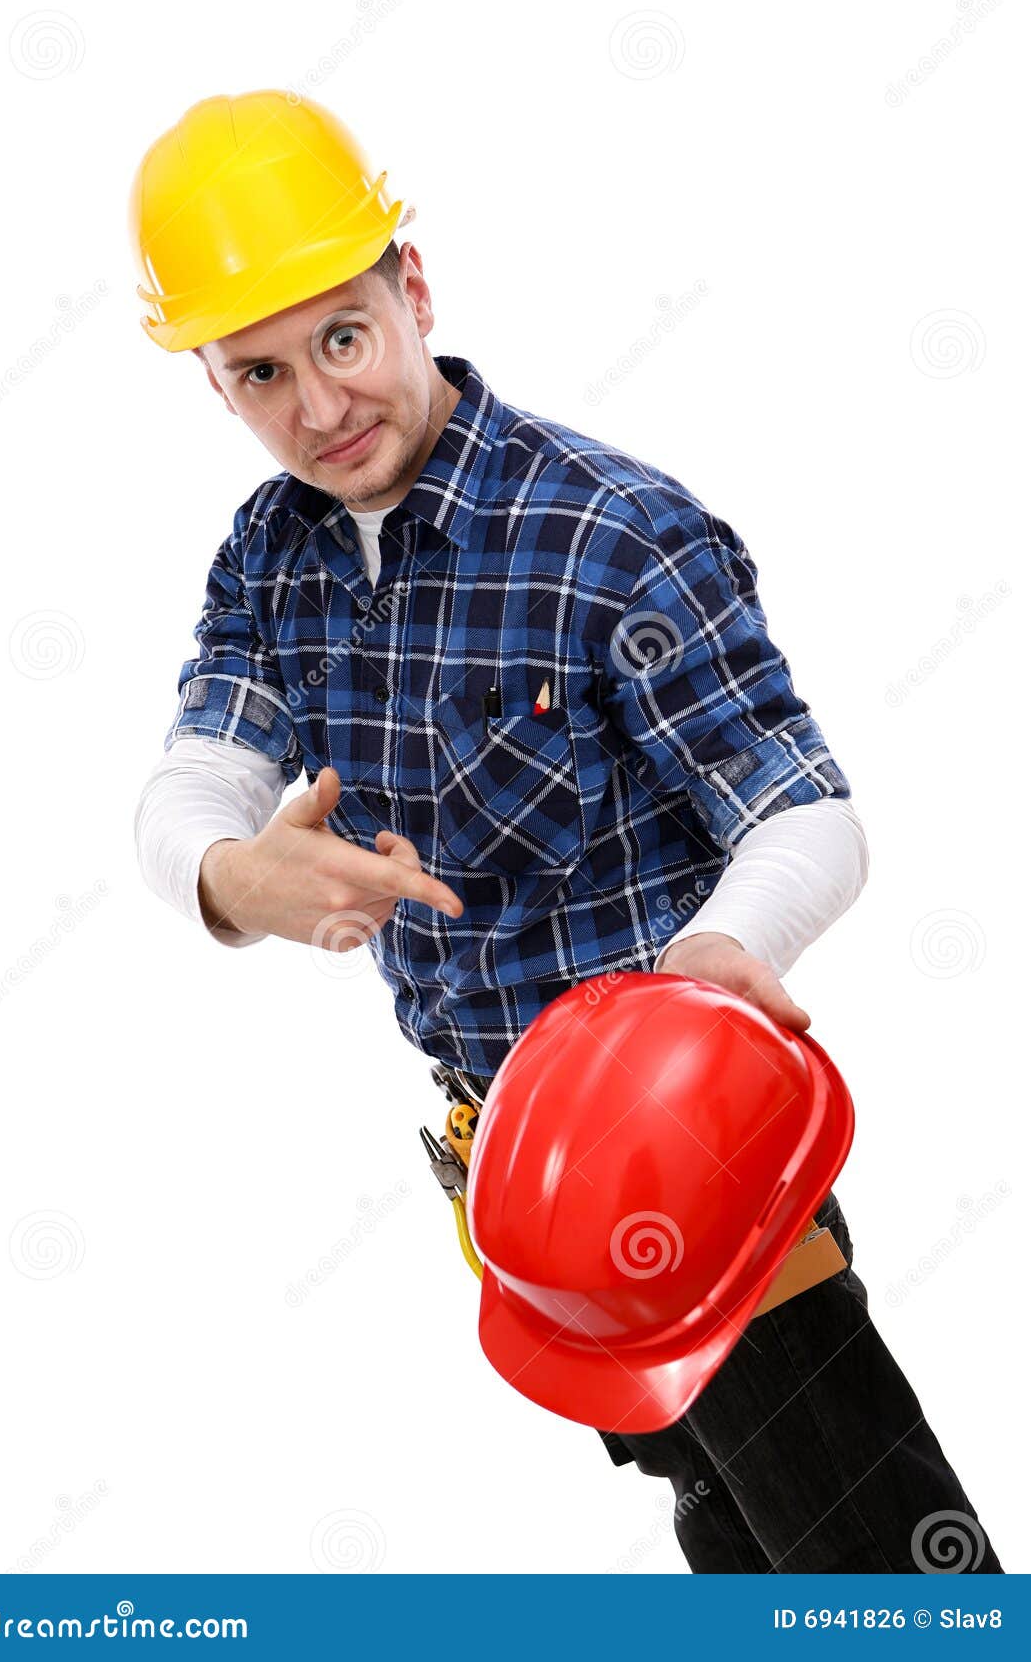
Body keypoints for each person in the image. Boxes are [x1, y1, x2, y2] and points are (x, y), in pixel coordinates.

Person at [131, 90, 1002, 1574]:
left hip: (693, 1153)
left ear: (412, 288)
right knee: (728, 1540)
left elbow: (808, 810)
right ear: (217, 385)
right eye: (261, 370)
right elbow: (195, 773)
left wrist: (723, 954)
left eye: (341, 335)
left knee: (874, 1570)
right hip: (525, 1196)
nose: (320, 405)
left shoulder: (612, 534)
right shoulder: (271, 553)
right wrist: (231, 872)